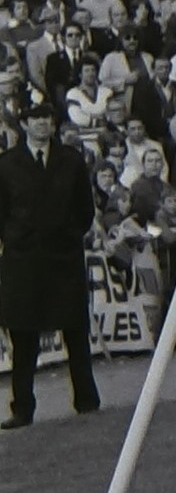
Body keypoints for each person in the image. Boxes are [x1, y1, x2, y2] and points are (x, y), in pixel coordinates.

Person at [0, 103, 101, 426]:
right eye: (35, 119)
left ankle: (86, 401)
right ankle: (22, 408)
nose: (42, 124)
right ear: (24, 124)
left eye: (46, 118)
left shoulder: (70, 161)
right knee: (24, 338)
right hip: (23, 260)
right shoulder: (7, 164)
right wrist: (15, 238)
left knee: (75, 332)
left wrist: (69, 236)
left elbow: (85, 209)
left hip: (63, 257)